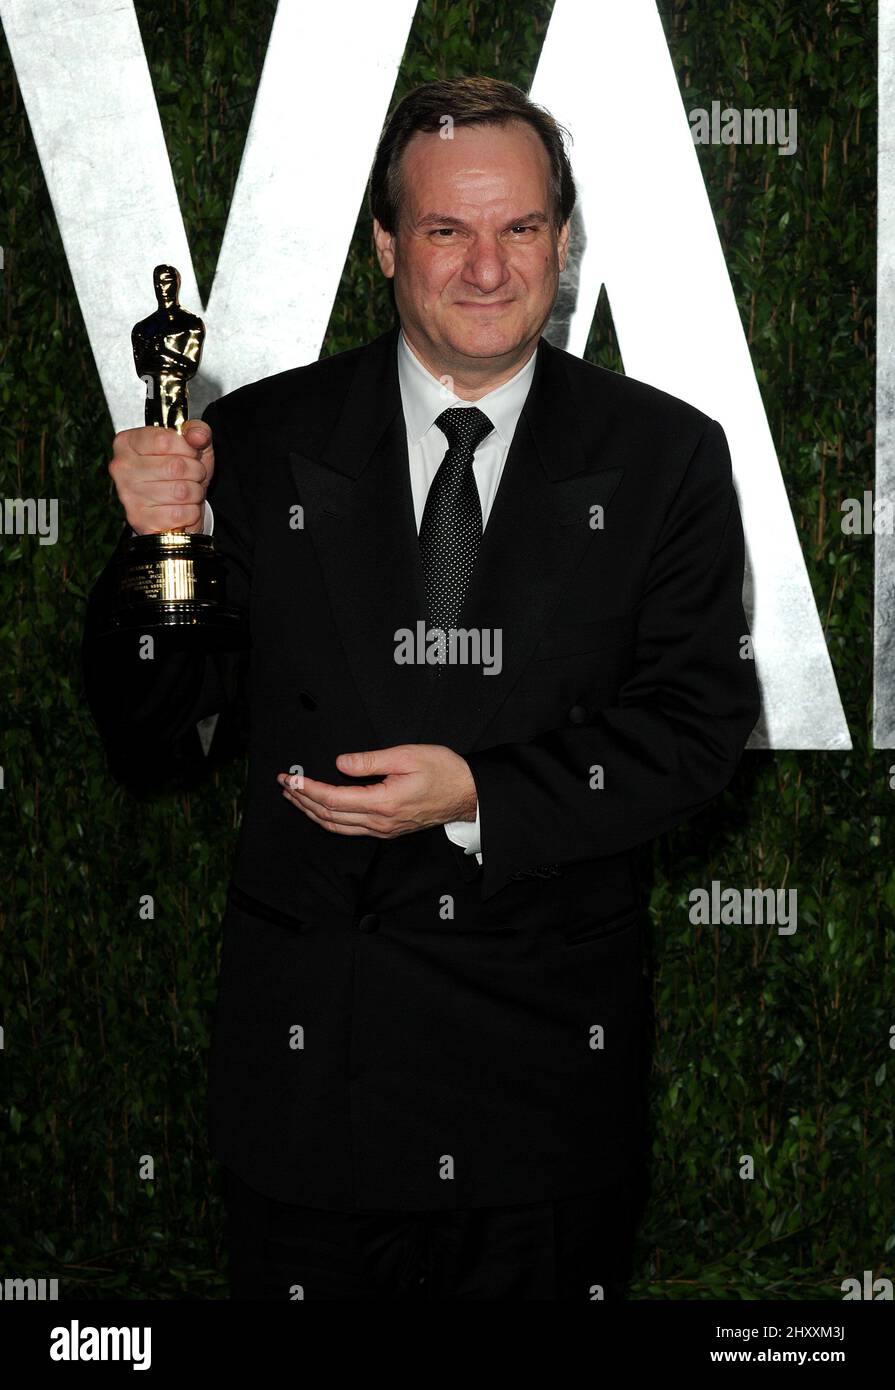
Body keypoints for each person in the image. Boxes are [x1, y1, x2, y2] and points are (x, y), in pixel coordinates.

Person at [82, 75, 761, 1300]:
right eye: (448, 229)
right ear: (389, 245)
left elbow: (697, 734)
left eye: (521, 229)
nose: (487, 268)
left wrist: (477, 794)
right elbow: (153, 741)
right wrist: (152, 552)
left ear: (563, 240)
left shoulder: (663, 457)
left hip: (541, 1103)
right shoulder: (261, 443)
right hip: (313, 1100)